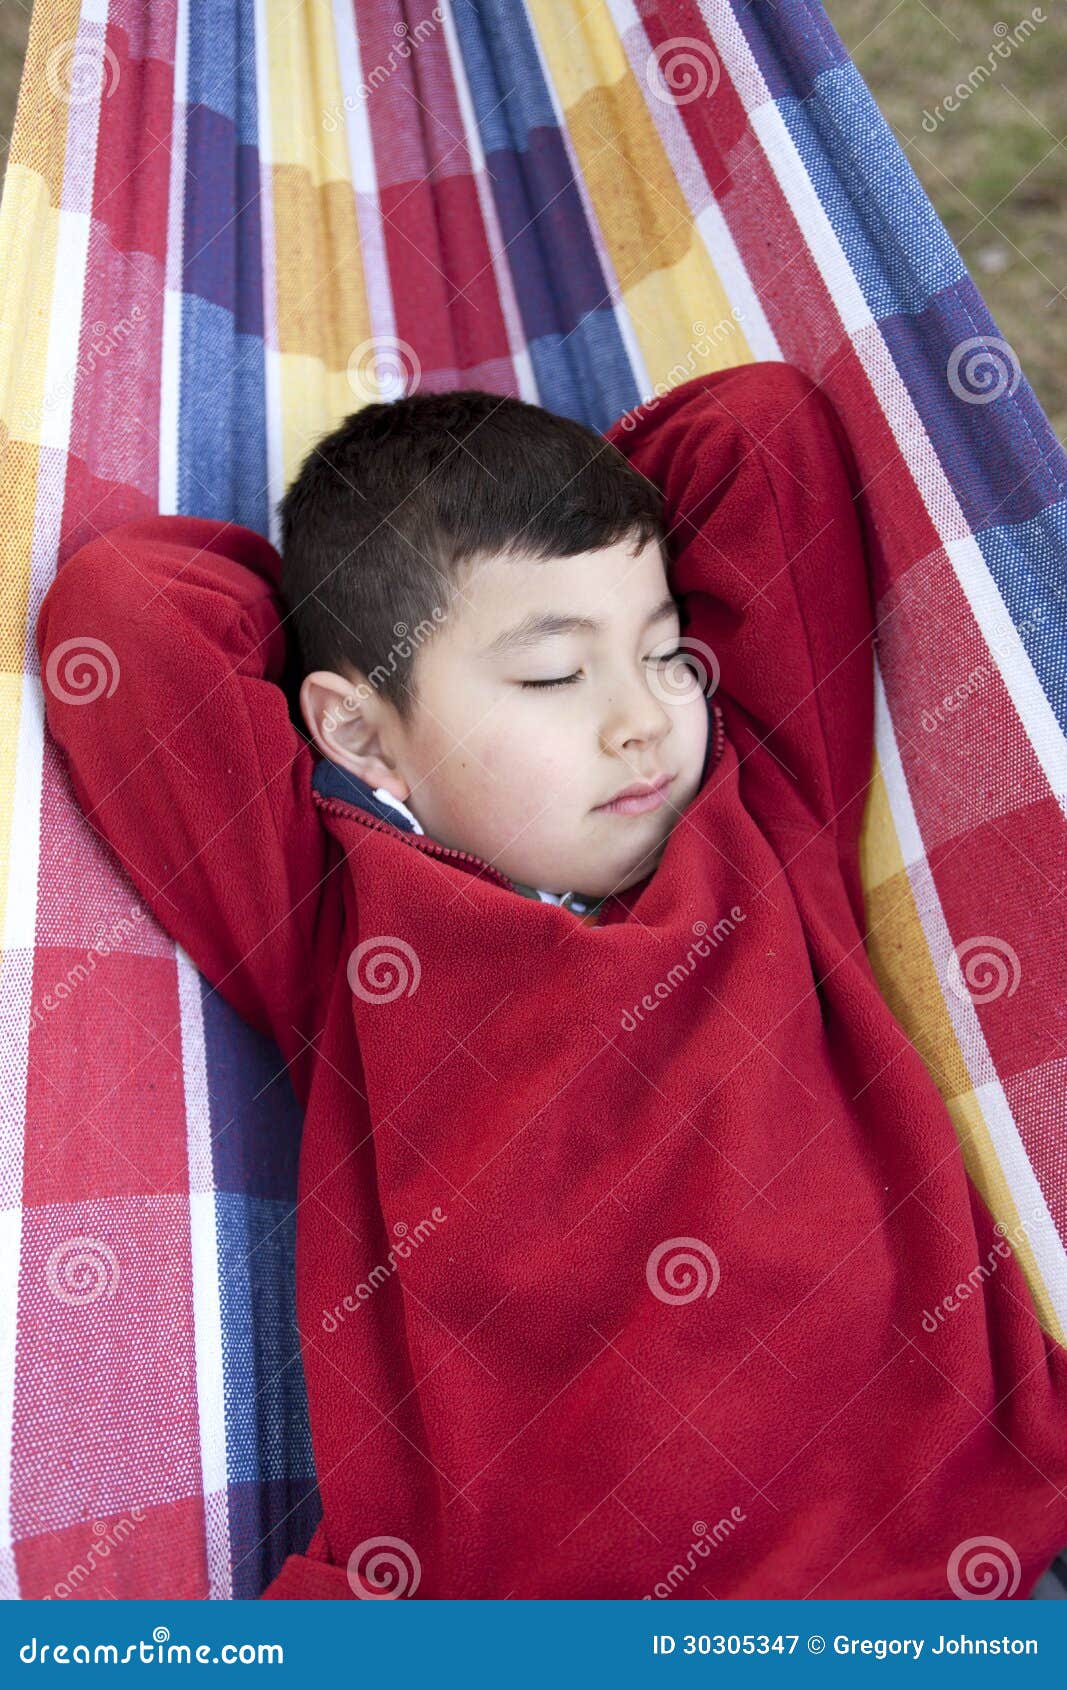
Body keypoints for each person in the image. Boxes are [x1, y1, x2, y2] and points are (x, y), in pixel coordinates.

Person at [35, 360, 1067, 1600]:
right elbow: (123, 613)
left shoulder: (759, 805)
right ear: (358, 732)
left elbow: (757, 432)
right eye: (550, 674)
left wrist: (560, 542)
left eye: (667, 650)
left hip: (952, 1555)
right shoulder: (337, 921)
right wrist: (345, 599)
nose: (640, 718)